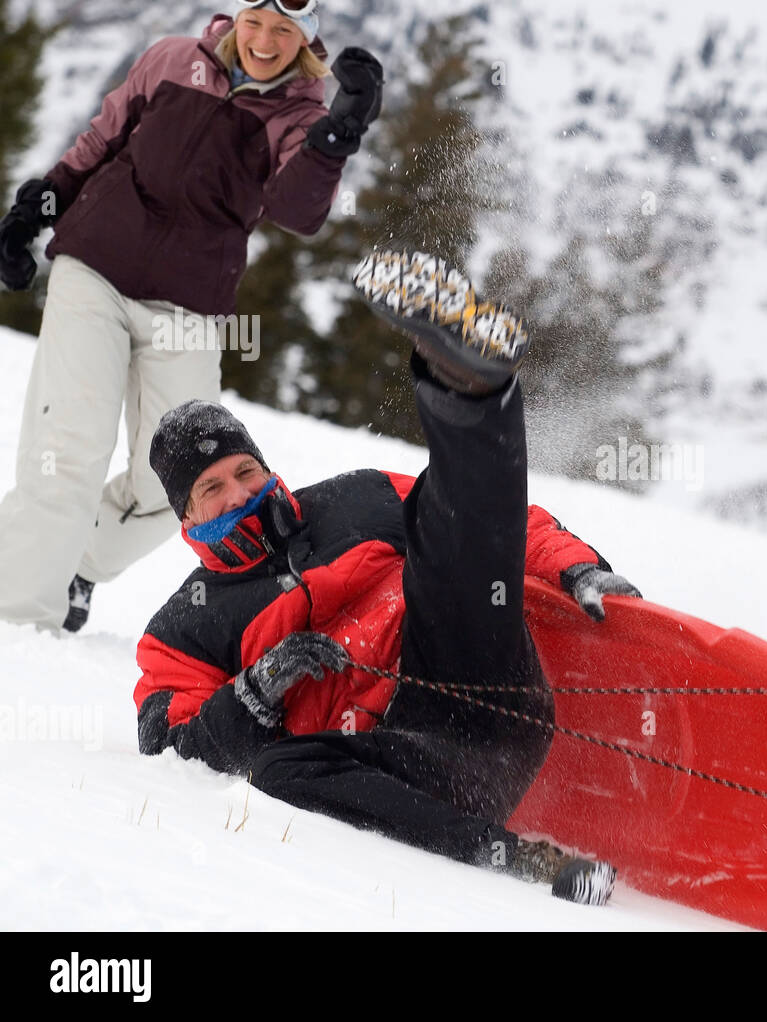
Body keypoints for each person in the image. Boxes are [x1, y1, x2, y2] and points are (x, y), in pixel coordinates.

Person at [133, 252, 639, 903]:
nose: (238, 492)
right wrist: (256, 689)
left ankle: (469, 385)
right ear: (187, 514)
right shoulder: (182, 629)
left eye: (245, 471)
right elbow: (173, 749)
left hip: (483, 687)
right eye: (212, 486)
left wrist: (576, 567)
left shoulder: (355, 499)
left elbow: (474, 525)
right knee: (278, 768)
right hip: (411, 766)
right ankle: (519, 859)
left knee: (435, 525)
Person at [0, 1, 383, 633]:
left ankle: (77, 561)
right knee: (67, 453)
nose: (264, 39)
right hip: (94, 268)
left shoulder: (299, 118)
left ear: (304, 39)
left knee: (176, 484)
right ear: (236, 17)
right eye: (256, 21)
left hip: (189, 305)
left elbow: (297, 209)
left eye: (284, 30)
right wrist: (32, 212)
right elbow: (100, 140)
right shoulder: (173, 60)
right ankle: (15, 624)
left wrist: (335, 138)